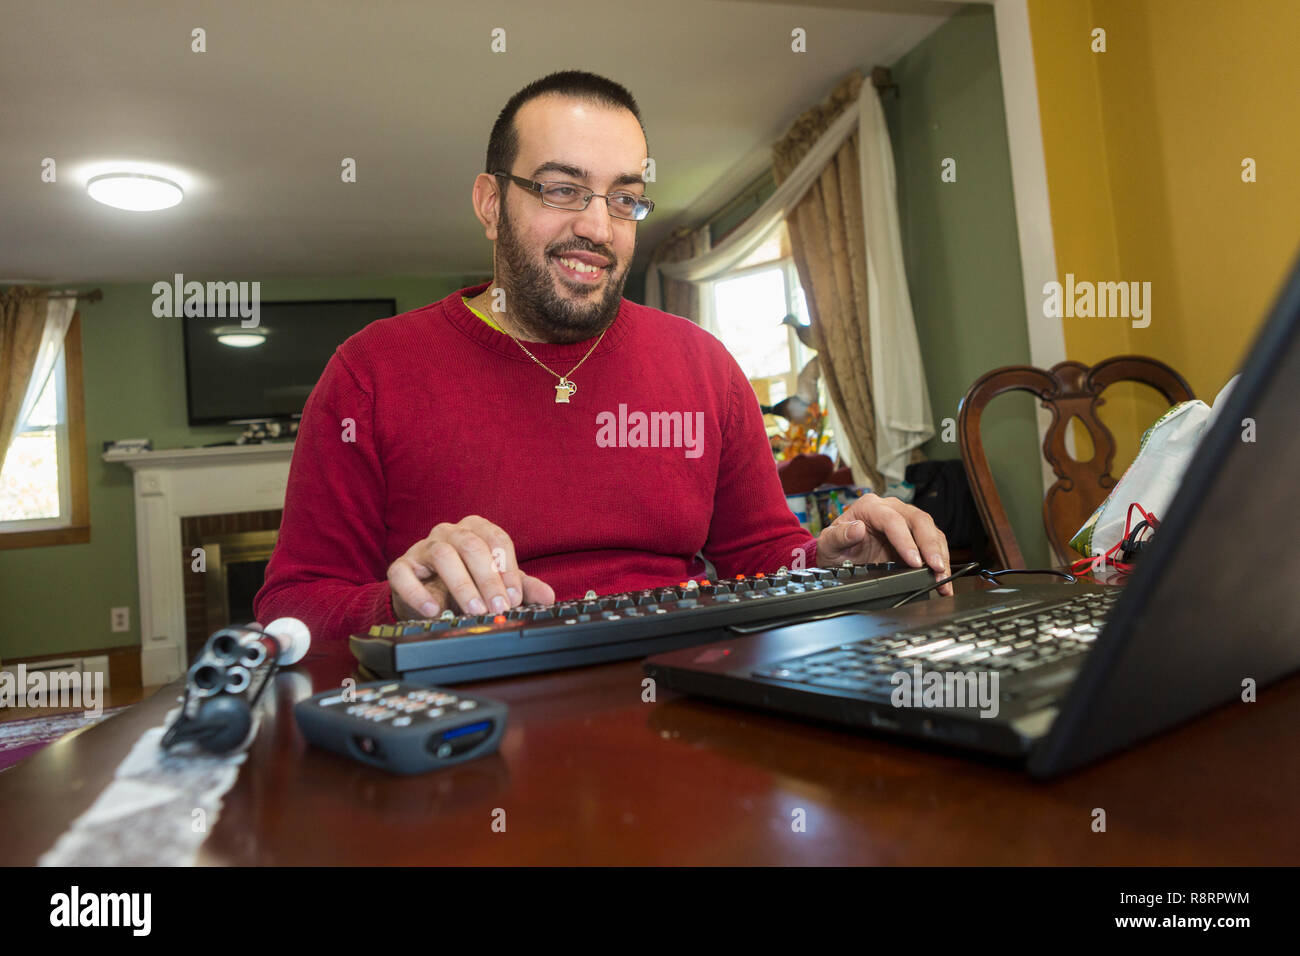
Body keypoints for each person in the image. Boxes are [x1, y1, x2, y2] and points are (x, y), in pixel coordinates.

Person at [253, 70, 951, 643]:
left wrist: (829, 561)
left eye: (625, 198)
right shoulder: (369, 373)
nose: (596, 226)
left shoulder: (703, 365)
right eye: (562, 189)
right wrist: (404, 607)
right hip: (477, 734)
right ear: (491, 203)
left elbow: (763, 558)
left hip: (692, 714)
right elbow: (292, 611)